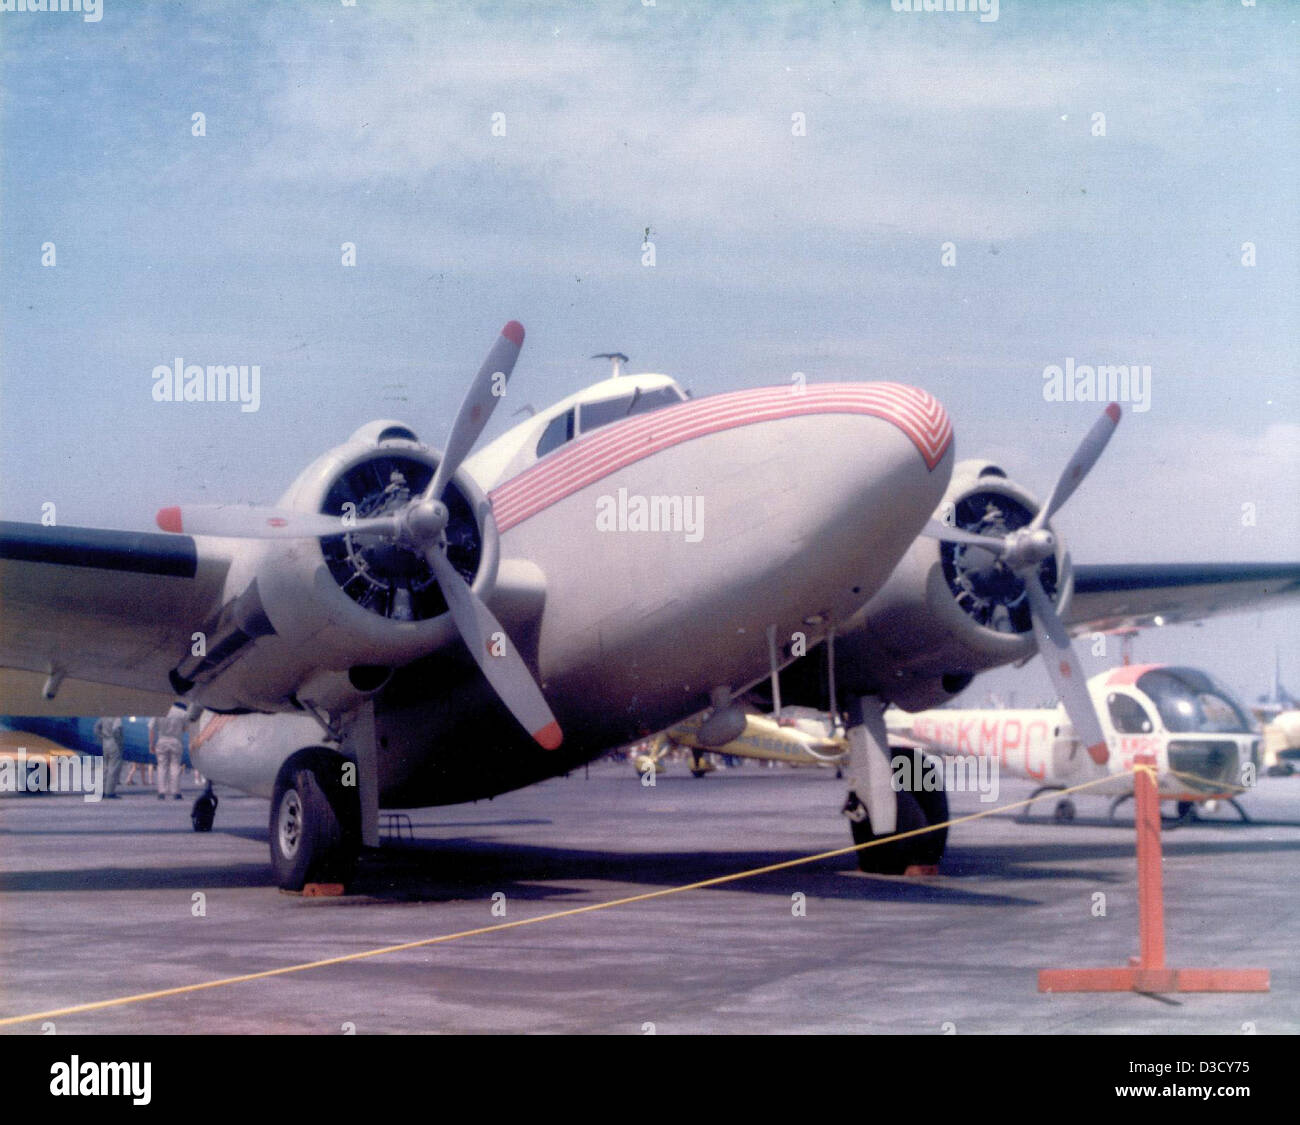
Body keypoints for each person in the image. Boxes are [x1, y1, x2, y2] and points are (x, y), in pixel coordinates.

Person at [150, 705, 188, 801]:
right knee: (175, 766)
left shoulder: (158, 712)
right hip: (176, 740)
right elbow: (185, 728)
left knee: (162, 767)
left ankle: (161, 792)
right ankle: (176, 792)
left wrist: (151, 744)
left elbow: (151, 728)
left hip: (162, 739)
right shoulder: (181, 713)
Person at [93, 716, 124, 798]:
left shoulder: (103, 717)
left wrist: (101, 737)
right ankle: (109, 792)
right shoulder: (116, 718)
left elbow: (96, 728)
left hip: (105, 742)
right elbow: (116, 730)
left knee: (105, 768)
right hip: (114, 742)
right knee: (113, 768)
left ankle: (102, 790)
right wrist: (119, 741)